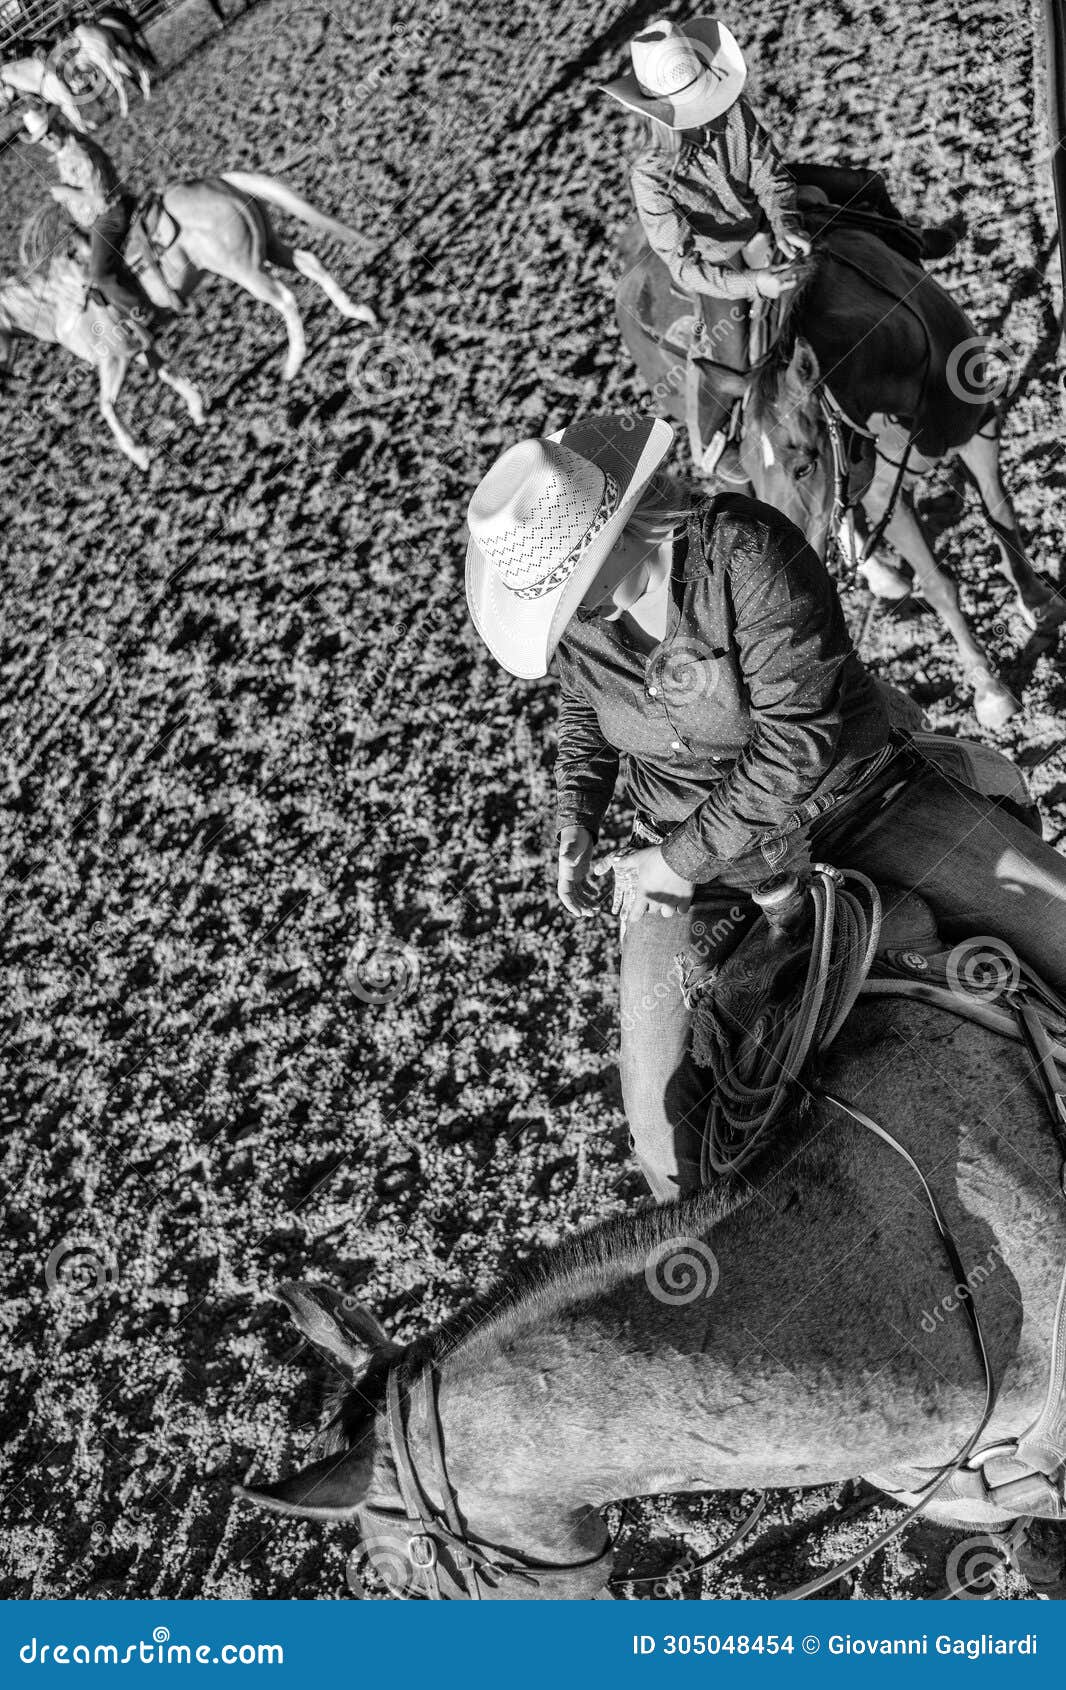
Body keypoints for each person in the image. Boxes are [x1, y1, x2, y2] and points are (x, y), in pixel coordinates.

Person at [465, 414, 1066, 1201]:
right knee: (660, 1134)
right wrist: (577, 812)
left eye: (574, 589)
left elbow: (797, 743)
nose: (573, 611)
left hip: (854, 803)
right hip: (692, 858)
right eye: (557, 603)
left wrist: (676, 862)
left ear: (623, 525)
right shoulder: (585, 621)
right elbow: (587, 703)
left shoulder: (745, 553)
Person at [601, 17, 809, 476]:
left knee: (852, 191)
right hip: (717, 257)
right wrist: (753, 283)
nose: (706, 112)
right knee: (728, 349)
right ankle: (713, 445)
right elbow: (681, 265)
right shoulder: (650, 175)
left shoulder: (733, 113)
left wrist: (784, 221)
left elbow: (768, 174)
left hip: (761, 219)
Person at [22, 108, 153, 345]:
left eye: (49, 131)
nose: (48, 139)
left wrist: (66, 192)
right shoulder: (64, 152)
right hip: (96, 218)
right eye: (42, 138)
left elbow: (100, 199)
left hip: (109, 214)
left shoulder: (78, 152)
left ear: (57, 124)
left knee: (99, 273)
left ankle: (141, 312)